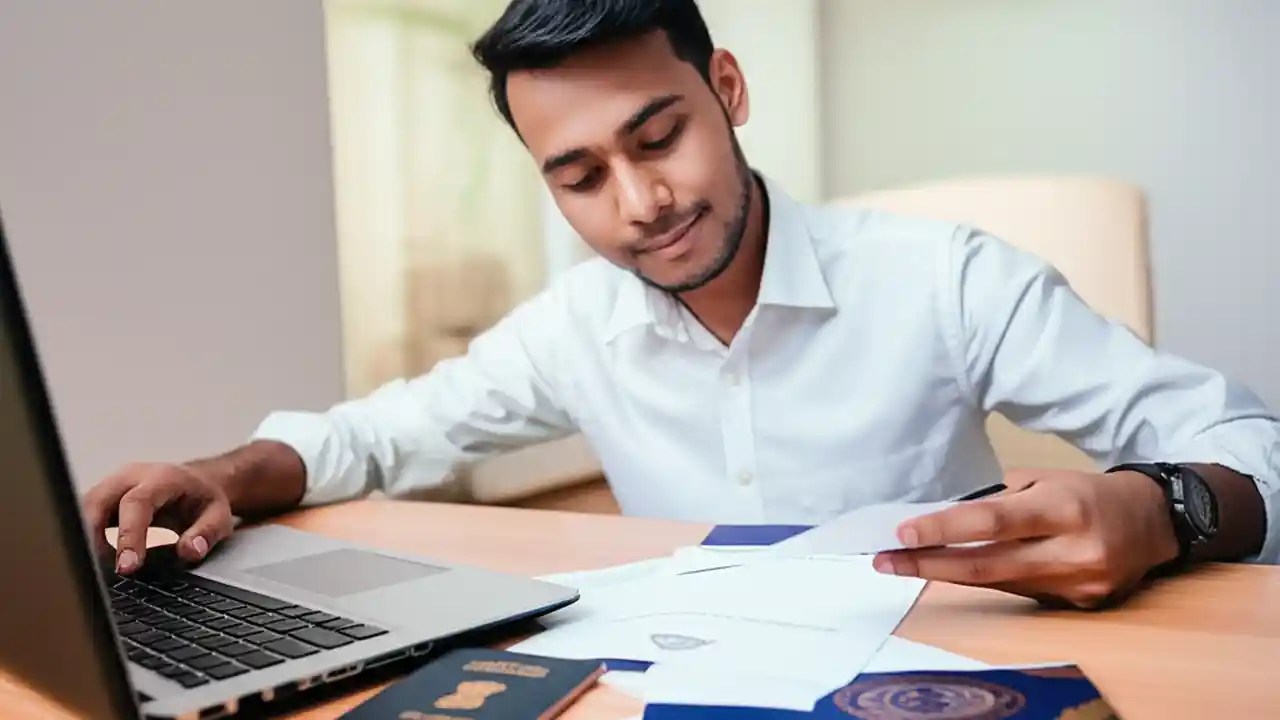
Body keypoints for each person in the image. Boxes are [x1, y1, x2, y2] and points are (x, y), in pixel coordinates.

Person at [84, 0, 1277, 609]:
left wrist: (1160, 506)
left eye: (657, 137)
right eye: (579, 175)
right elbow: (376, 436)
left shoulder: (947, 277)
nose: (640, 203)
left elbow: (1249, 452)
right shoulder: (573, 326)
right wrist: (227, 472)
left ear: (726, 90)